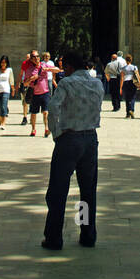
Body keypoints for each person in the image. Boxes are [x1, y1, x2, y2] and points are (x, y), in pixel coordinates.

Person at [41, 49, 102, 250]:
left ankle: (54, 238)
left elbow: (53, 108)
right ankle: (87, 234)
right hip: (90, 140)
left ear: (68, 66)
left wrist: (56, 134)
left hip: (69, 139)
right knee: (87, 192)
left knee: (58, 191)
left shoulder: (67, 83)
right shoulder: (97, 83)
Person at [27, 49, 52, 137]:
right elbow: (25, 83)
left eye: (37, 56)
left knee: (45, 112)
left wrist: (47, 69)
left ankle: (46, 129)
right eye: (34, 57)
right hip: (35, 94)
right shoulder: (30, 69)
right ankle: (33, 129)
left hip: (45, 92)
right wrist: (31, 79)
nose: (36, 58)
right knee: (33, 113)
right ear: (31, 59)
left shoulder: (44, 65)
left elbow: (55, 70)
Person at [0, 55, 15, 129]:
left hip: (5, 90)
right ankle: (1, 121)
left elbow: (11, 80)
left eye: (5, 62)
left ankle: (3, 123)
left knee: (4, 106)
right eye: (2, 62)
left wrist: (13, 89)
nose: (3, 64)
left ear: (7, 63)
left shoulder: (9, 70)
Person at [120, 52, 140, 118]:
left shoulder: (123, 68)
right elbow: (138, 76)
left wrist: (120, 87)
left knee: (127, 98)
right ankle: (132, 109)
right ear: (131, 60)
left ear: (126, 60)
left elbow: (122, 78)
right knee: (133, 97)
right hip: (133, 83)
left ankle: (128, 113)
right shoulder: (134, 67)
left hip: (126, 82)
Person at [19, 51, 37, 124]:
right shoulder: (24, 64)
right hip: (25, 84)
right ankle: (25, 117)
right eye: (27, 57)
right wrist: (19, 83)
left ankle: (31, 117)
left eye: (29, 57)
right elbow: (21, 73)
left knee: (32, 101)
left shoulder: (35, 65)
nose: (27, 59)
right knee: (24, 101)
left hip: (32, 85)